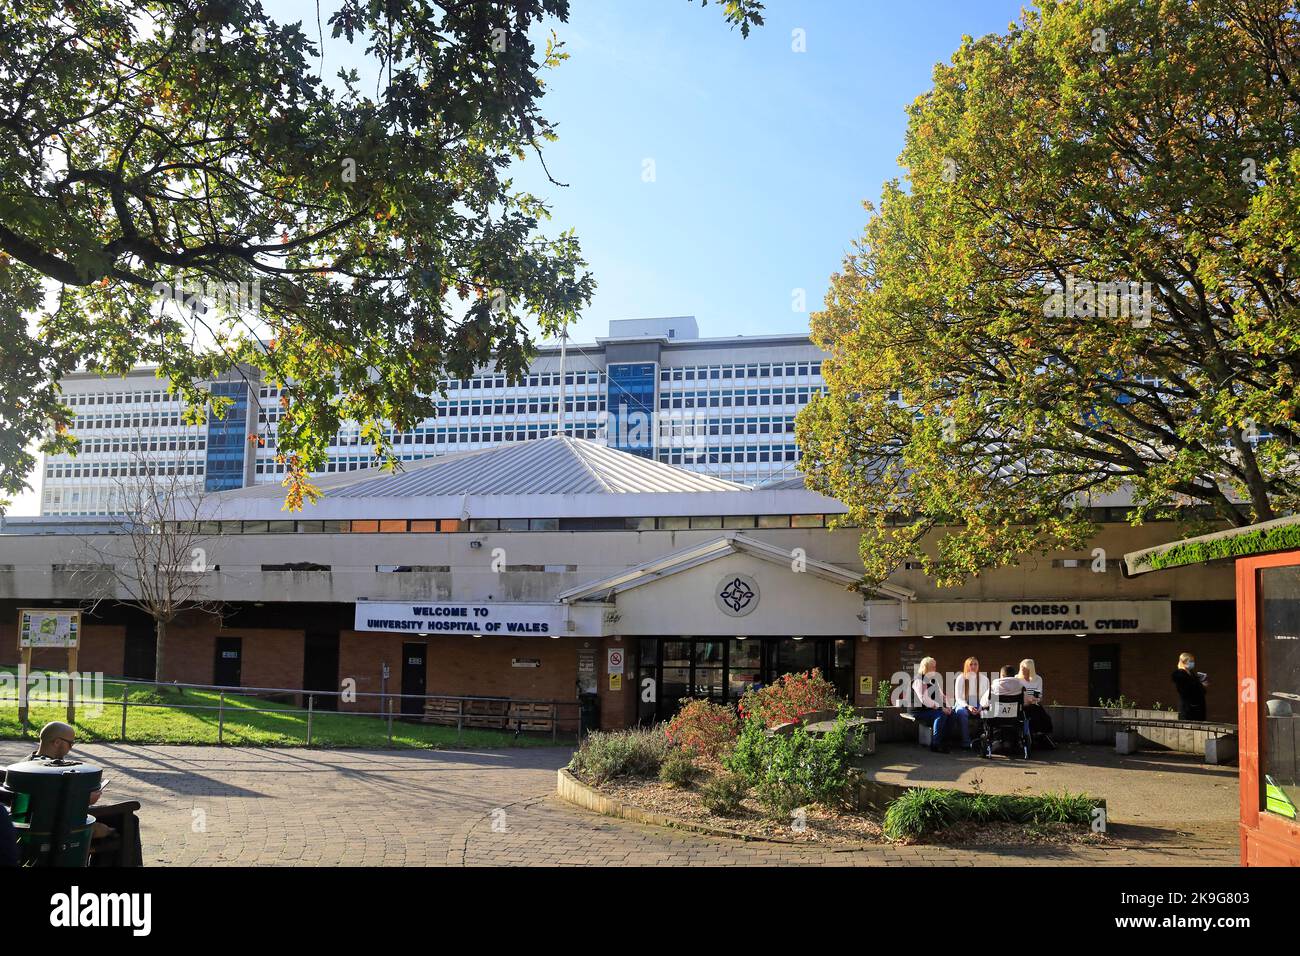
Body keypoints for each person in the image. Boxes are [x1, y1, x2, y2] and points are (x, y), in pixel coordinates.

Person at [911, 656, 952, 753]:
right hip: (918, 710)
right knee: (940, 715)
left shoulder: (933, 680)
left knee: (952, 714)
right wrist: (942, 708)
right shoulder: (918, 680)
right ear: (925, 668)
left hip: (930, 709)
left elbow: (942, 695)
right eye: (933, 667)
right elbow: (924, 700)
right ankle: (935, 744)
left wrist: (949, 706)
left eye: (935, 666)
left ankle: (946, 742)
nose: (935, 669)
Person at [1019, 658, 1056, 749]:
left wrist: (1032, 699)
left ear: (1031, 670)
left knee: (1039, 713)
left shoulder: (1037, 679)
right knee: (1032, 713)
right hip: (1021, 705)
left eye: (1026, 669)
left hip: (1032, 704)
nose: (1023, 671)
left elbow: (1038, 695)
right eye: (1022, 669)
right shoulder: (1017, 679)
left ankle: (1039, 735)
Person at [951, 656, 983, 750]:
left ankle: (982, 741)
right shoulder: (961, 678)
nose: (973, 666)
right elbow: (958, 697)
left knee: (986, 713)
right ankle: (966, 742)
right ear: (966, 666)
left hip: (976, 702)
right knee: (961, 713)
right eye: (971, 664)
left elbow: (984, 698)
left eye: (975, 664)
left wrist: (980, 708)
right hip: (962, 702)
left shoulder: (983, 679)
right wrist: (968, 706)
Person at [1172, 652, 1208, 720]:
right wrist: (1200, 685)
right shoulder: (1179, 675)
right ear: (1183, 662)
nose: (1192, 663)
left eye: (1193, 661)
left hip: (1198, 709)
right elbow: (1186, 691)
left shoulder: (1192, 674)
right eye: (1190, 661)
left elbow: (1201, 691)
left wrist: (1202, 685)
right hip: (1188, 710)